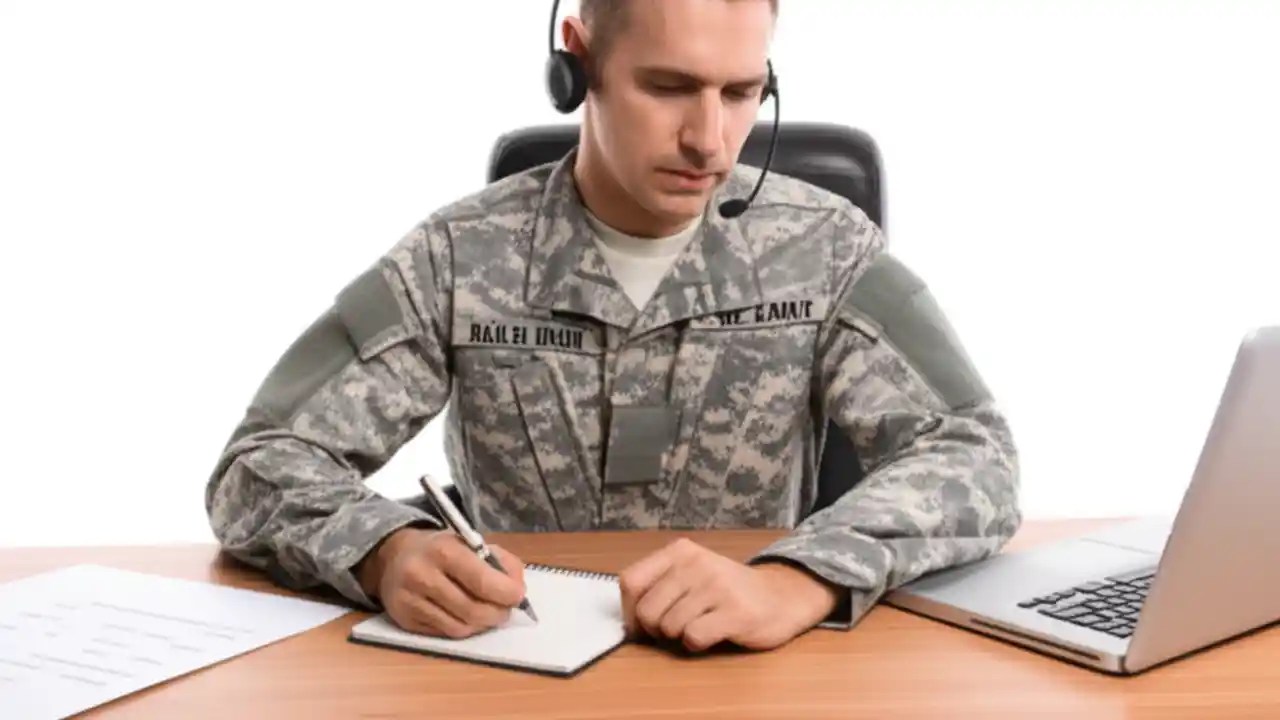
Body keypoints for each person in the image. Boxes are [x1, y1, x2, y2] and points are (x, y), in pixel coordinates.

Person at [205, 0, 1021, 655]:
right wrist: (383, 552)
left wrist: (798, 581)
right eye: (668, 87)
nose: (709, 139)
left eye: (742, 93)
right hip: (514, 670)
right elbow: (259, 465)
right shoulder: (459, 257)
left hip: (748, 673)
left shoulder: (828, 248)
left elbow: (973, 453)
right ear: (577, 59)